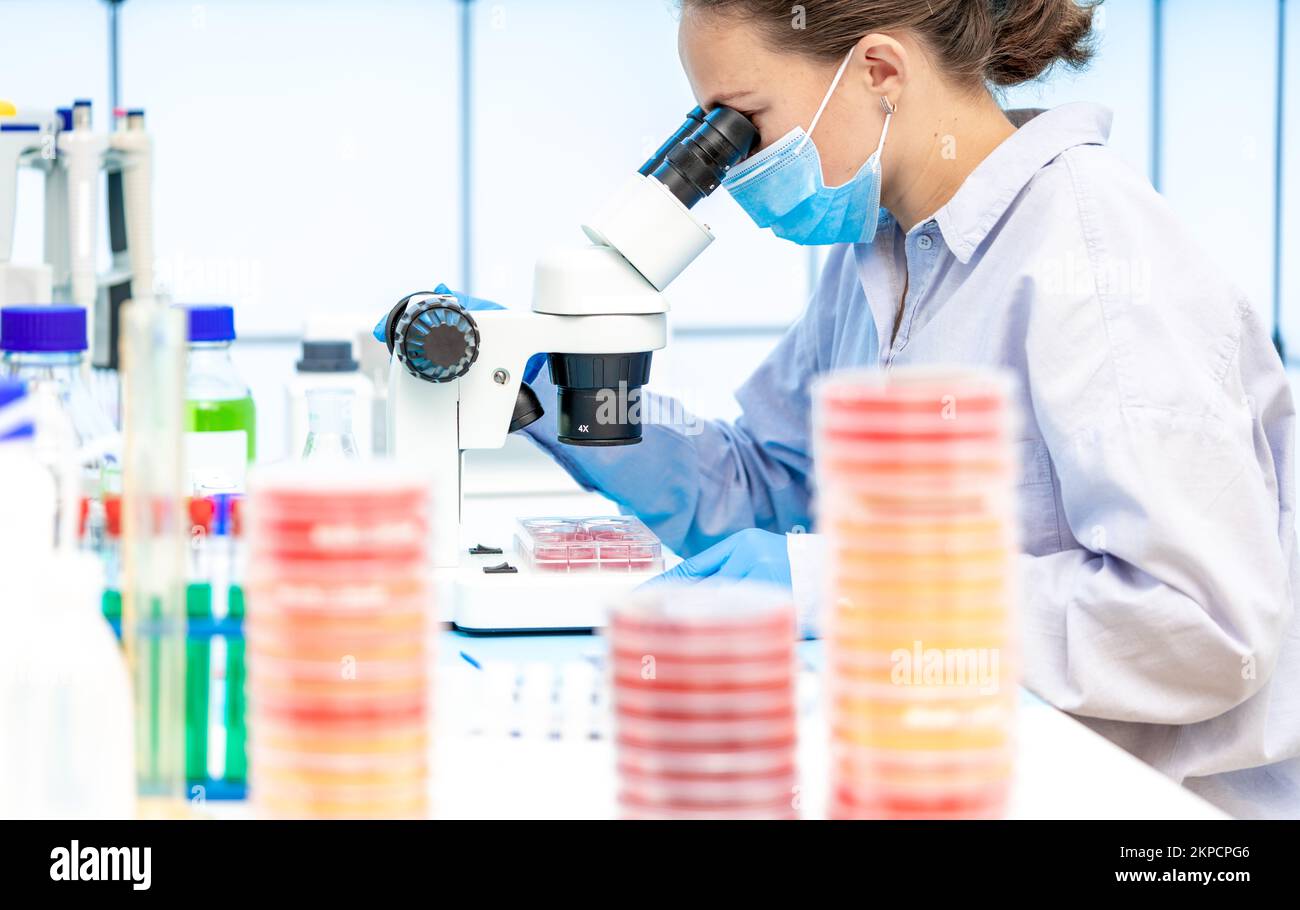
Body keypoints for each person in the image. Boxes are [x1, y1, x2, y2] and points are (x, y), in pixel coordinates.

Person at [400, 0, 1299, 818]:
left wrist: (841, 589)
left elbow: (1200, 624)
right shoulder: (882, 257)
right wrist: (551, 394)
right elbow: (769, 489)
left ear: (878, 71)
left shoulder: (1092, 255)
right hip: (961, 776)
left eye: (741, 125)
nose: (729, 169)